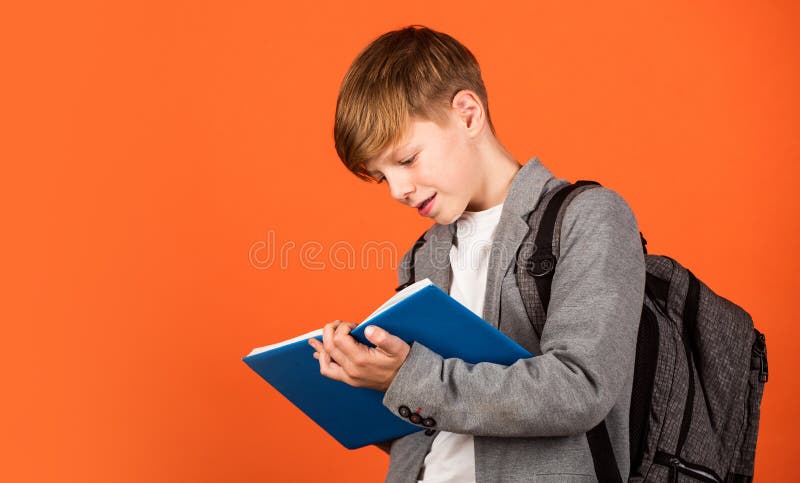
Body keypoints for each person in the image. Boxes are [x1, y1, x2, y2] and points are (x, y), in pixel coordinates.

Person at [308, 25, 645, 482]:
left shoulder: (588, 217)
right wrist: (364, 376)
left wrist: (407, 377)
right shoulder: (424, 254)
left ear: (467, 114)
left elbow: (580, 388)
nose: (398, 191)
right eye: (380, 177)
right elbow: (435, 419)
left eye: (405, 160)